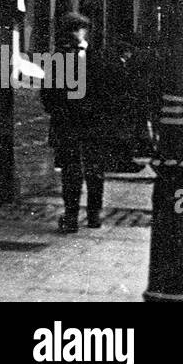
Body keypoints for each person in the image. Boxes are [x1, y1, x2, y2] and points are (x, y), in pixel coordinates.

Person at [41, 12, 128, 233]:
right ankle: (80, 216)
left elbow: (113, 91)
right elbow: (49, 93)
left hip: (84, 123)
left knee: (87, 170)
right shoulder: (71, 58)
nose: (74, 34)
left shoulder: (93, 57)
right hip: (77, 123)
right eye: (72, 29)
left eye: (76, 29)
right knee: (79, 170)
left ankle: (85, 215)